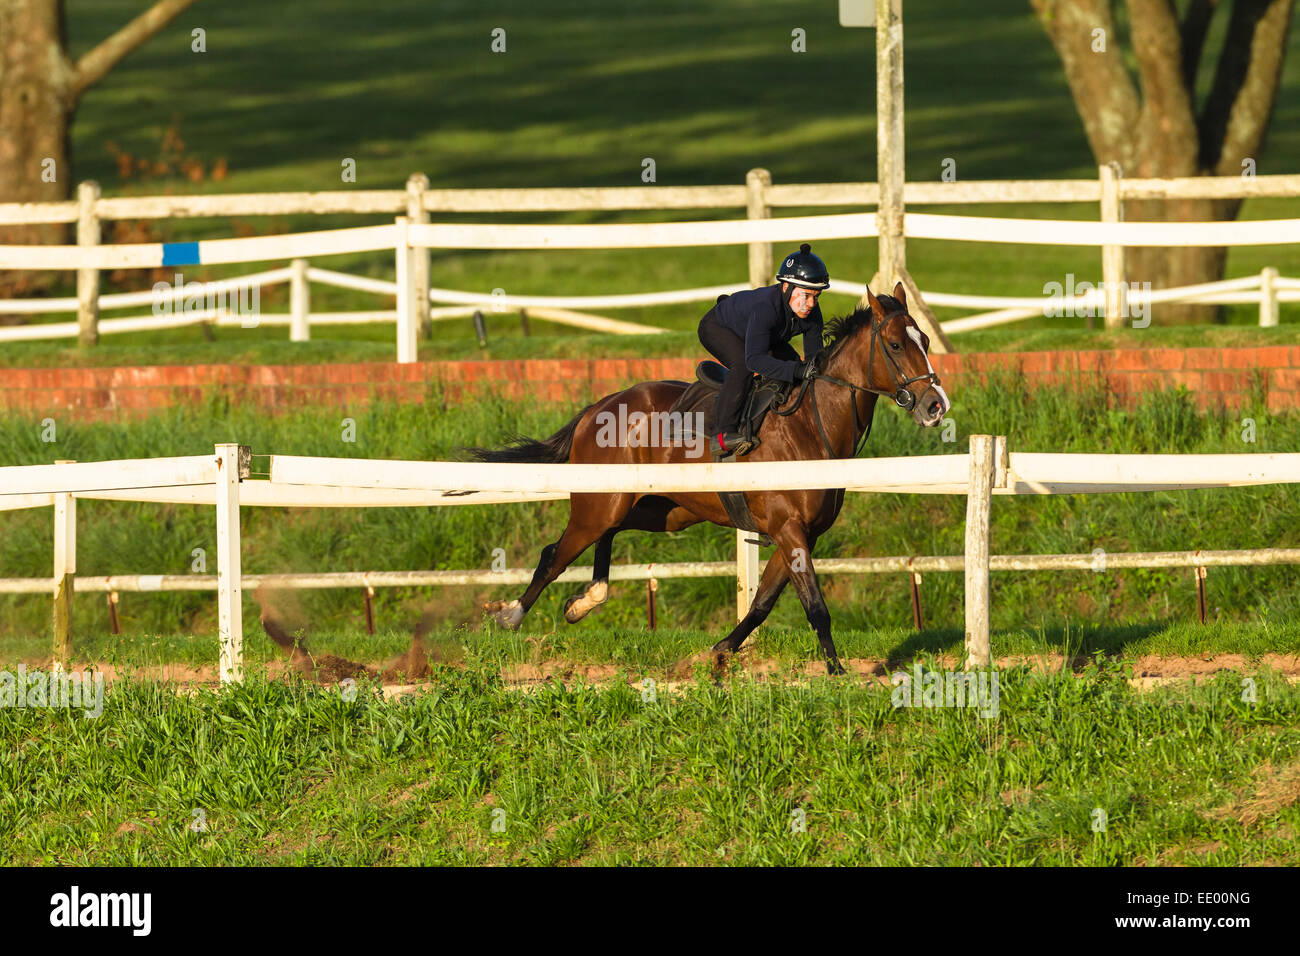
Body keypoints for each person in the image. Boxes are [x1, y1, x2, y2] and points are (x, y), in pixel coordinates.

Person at [697, 243, 828, 457]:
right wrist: (796, 370)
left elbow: (813, 360)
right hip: (718, 326)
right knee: (742, 364)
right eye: (806, 296)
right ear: (786, 287)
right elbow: (755, 361)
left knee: (795, 364)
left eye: (816, 296)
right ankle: (721, 435)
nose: (812, 303)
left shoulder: (812, 312)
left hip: (761, 332)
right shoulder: (766, 307)